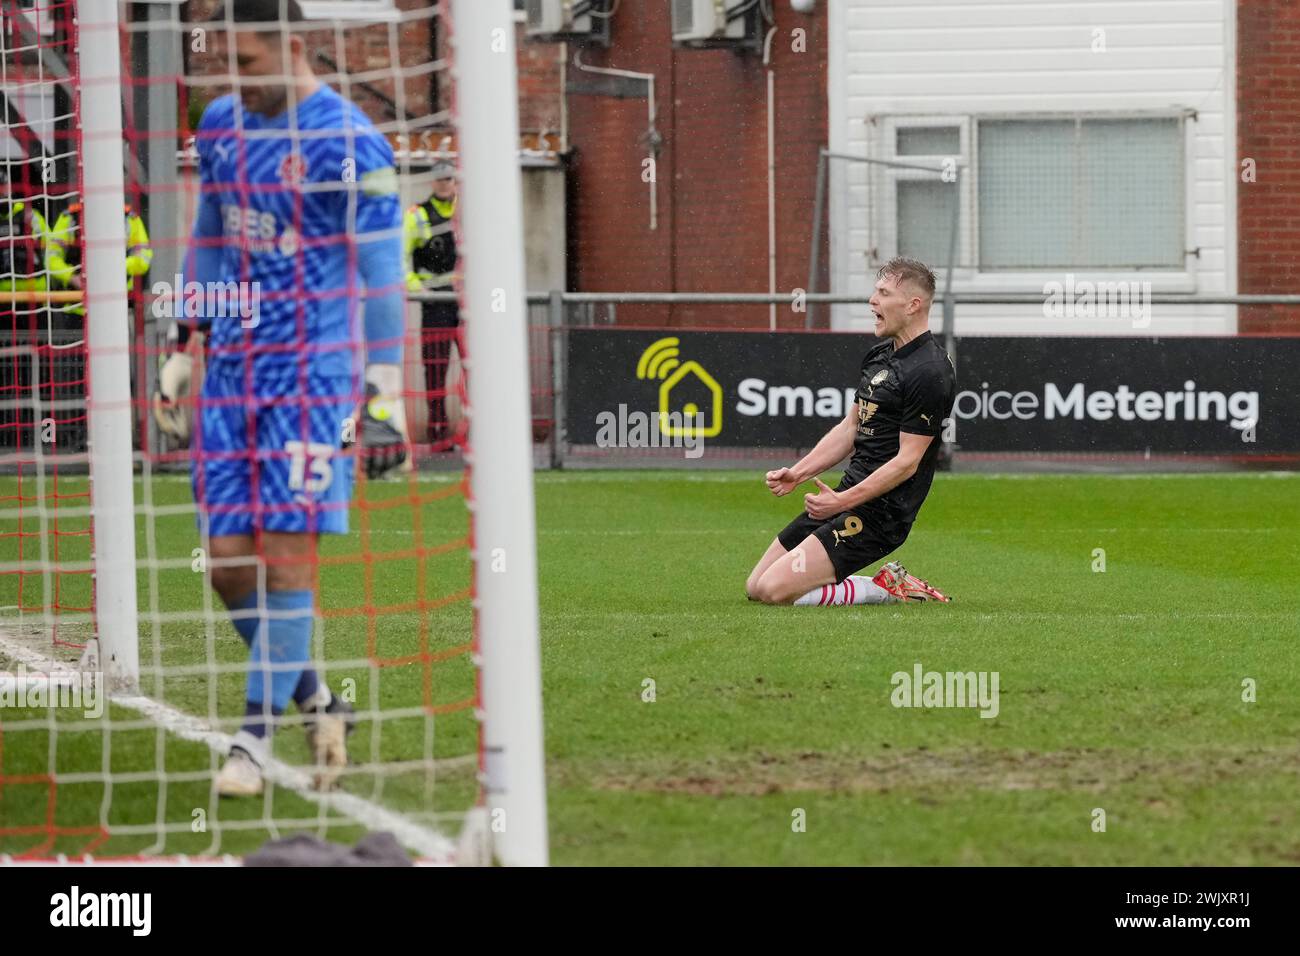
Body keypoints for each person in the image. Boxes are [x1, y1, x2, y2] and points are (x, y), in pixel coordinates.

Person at [155, 0, 409, 796]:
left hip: (315, 381)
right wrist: (187, 335)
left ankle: (251, 746)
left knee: (287, 558)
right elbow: (210, 232)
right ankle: (320, 701)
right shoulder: (224, 125)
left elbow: (378, 271)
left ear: (293, 47)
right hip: (232, 372)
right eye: (227, 65)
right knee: (228, 566)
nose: (239, 82)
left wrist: (385, 386)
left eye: (251, 63)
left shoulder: (352, 141)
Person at [745, 257, 956, 607]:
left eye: (883, 293)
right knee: (756, 586)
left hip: (881, 514)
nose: (872, 300)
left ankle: (887, 589)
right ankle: (880, 582)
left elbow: (907, 462)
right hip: (846, 496)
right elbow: (849, 428)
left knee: (773, 591)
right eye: (875, 291)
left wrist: (841, 503)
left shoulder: (930, 370)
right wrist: (798, 473)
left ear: (913, 304)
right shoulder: (880, 356)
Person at [403, 161, 459, 447]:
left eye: (448, 178)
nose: (444, 183)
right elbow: (402, 258)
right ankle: (439, 430)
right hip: (436, 299)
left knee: (481, 367)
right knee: (435, 366)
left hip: (467, 303)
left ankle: (478, 433)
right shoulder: (418, 215)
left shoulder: (470, 211)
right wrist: (419, 289)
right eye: (438, 179)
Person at [46, 201, 154, 312]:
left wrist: (117, 267)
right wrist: (72, 277)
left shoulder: (129, 218)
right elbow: (51, 259)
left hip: (118, 306)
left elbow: (143, 259)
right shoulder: (69, 218)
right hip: (77, 307)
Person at [0, 167, 50, 295]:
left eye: (3, 187)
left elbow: (50, 246)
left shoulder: (29, 215)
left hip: (33, 289)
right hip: (4, 292)